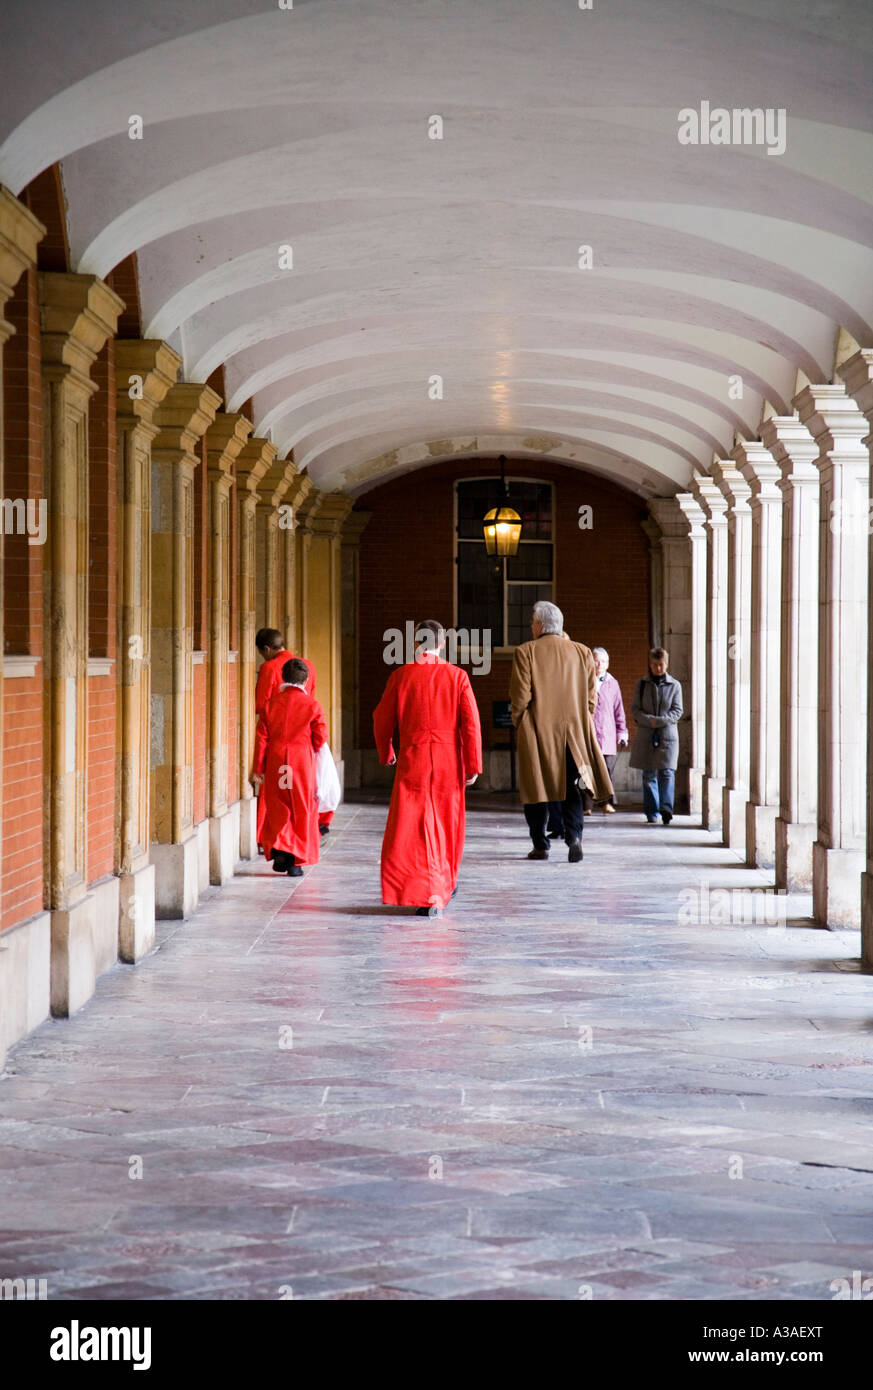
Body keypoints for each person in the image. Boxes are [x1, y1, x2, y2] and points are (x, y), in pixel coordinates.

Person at [374, 619, 482, 916]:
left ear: (414, 644)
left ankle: (420, 889)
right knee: (446, 824)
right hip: (448, 761)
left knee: (411, 826)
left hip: (413, 758)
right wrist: (472, 763)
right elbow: (471, 723)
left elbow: (381, 718)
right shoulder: (457, 676)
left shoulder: (400, 676)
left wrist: (387, 751)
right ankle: (443, 884)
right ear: (442, 643)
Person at [510, 601, 612, 863]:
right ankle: (574, 837)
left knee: (536, 791)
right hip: (573, 733)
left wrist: (520, 722)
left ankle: (541, 845)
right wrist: (582, 719)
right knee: (571, 789)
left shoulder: (526, 652)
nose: (531, 626)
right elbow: (592, 696)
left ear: (541, 625)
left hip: (537, 729)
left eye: (533, 622)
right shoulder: (582, 652)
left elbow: (521, 697)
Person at [251, 657, 328, 876]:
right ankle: (296, 858)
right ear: (305, 681)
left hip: (277, 761)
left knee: (279, 805)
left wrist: (259, 768)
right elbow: (320, 737)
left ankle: (280, 850)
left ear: (283, 678)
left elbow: (261, 738)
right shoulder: (312, 705)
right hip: (301, 762)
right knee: (300, 807)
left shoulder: (271, 704)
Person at [254, 627, 331, 838]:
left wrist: (257, 766)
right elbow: (316, 717)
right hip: (303, 751)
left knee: (278, 796)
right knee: (301, 798)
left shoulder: (269, 668)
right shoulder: (309, 667)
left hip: (278, 749)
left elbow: (261, 706)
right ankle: (300, 840)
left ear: (267, 649)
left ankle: (274, 838)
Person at [629, 646, 683, 825]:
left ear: (666, 664)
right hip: (646, 734)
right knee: (649, 773)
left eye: (661, 665)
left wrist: (658, 721)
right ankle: (652, 811)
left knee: (667, 772)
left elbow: (677, 711)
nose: (658, 668)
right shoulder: (642, 684)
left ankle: (666, 809)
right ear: (650, 665)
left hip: (667, 734)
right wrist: (648, 720)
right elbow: (635, 709)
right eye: (654, 665)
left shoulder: (674, 685)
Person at [590, 646, 629, 814]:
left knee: (607, 771)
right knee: (585, 771)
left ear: (608, 664)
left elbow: (618, 710)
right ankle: (585, 804)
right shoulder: (583, 680)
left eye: (603, 661)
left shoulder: (613, 684)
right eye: (596, 660)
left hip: (607, 735)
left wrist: (622, 733)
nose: (599, 664)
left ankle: (606, 802)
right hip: (589, 734)